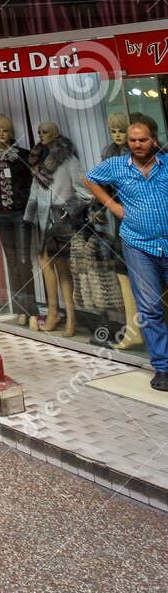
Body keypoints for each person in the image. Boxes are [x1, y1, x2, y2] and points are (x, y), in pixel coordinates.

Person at [84, 121, 168, 392]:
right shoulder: (117, 166)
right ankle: (164, 367)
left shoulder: (166, 165)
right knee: (151, 308)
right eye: (133, 140)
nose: (137, 145)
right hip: (138, 246)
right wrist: (113, 206)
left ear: (153, 140)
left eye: (142, 140)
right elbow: (89, 178)